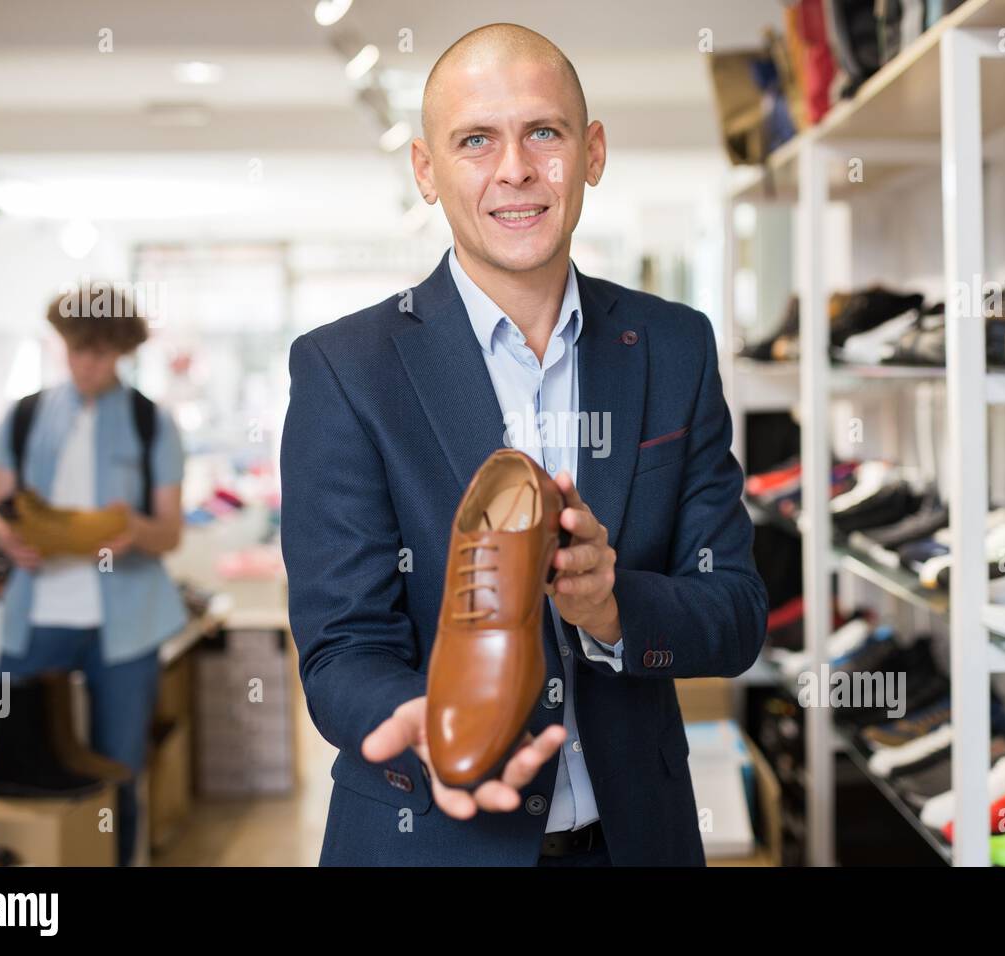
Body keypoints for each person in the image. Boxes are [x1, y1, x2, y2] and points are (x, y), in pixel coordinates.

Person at [279, 23, 767, 867]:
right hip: (425, 840)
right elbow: (342, 647)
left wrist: (611, 609)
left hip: (635, 841)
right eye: (475, 140)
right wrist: (424, 722)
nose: (516, 169)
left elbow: (736, 615)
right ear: (426, 173)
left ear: (592, 153)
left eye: (544, 131)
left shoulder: (674, 345)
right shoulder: (346, 368)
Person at [0, 281, 187, 866]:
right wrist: (7, 535)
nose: (87, 364)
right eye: (76, 350)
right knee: (5, 753)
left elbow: (169, 531)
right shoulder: (26, 415)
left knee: (119, 768)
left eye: (100, 353)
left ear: (120, 351)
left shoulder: (150, 423)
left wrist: (132, 532)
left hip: (128, 625)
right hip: (37, 614)